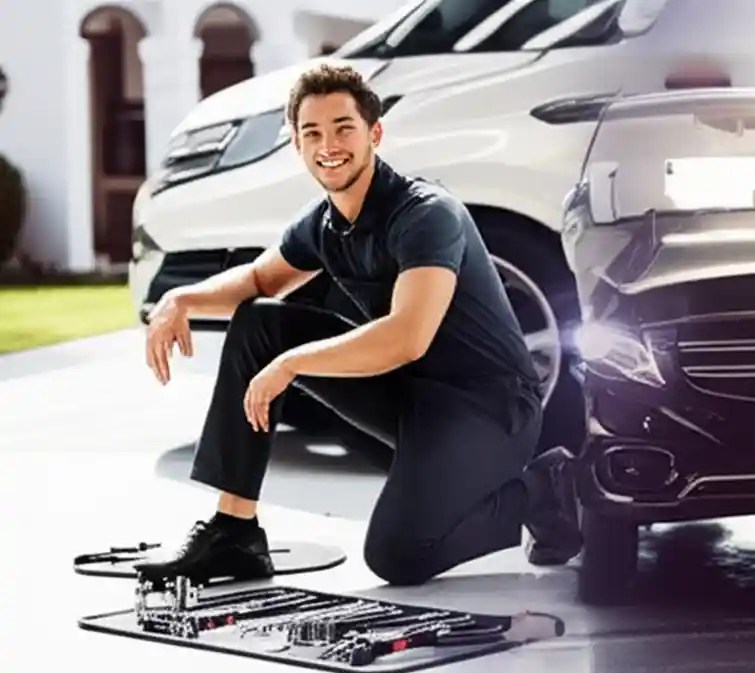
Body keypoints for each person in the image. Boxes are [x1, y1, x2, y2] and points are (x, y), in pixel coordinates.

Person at [136, 63, 582, 586]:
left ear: (374, 133)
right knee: (259, 325)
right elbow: (258, 280)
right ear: (298, 146)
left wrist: (293, 363)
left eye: (344, 128)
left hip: (488, 406)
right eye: (313, 133)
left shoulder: (426, 214)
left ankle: (539, 489)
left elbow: (406, 337)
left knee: (399, 557)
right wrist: (178, 299)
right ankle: (234, 534)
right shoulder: (323, 222)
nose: (329, 144)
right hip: (412, 397)